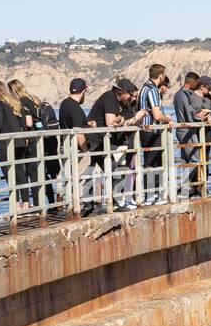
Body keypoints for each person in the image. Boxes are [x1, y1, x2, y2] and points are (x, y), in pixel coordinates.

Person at [87, 78, 139, 210]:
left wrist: (120, 119)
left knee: (114, 170)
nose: (131, 97)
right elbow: (110, 122)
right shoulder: (109, 98)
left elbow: (118, 121)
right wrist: (120, 118)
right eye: (130, 94)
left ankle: (115, 202)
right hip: (95, 141)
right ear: (122, 92)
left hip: (102, 140)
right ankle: (114, 202)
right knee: (113, 170)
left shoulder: (117, 100)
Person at [0, 80, 33, 208]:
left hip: (6, 145)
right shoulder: (14, 102)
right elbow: (24, 123)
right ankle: (26, 204)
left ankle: (15, 205)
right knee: (20, 173)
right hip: (20, 143)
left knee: (9, 175)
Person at [59, 78, 97, 214]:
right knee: (80, 177)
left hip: (66, 147)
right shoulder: (75, 107)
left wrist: (88, 123)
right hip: (77, 149)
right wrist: (86, 149)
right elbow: (77, 131)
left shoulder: (64, 104)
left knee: (71, 177)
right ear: (83, 91)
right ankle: (78, 206)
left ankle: (71, 204)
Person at [137, 64, 171, 204]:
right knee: (153, 163)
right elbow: (157, 115)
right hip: (151, 131)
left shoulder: (144, 87)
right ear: (161, 75)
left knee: (151, 163)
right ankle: (151, 196)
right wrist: (167, 119)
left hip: (146, 130)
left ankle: (151, 195)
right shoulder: (152, 90)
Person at [173, 73, 209, 198]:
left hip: (181, 130)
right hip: (187, 130)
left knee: (185, 160)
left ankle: (185, 190)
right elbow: (190, 116)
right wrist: (202, 118)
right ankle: (183, 187)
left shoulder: (178, 94)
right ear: (192, 82)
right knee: (195, 159)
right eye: (197, 83)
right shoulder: (185, 95)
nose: (197, 86)